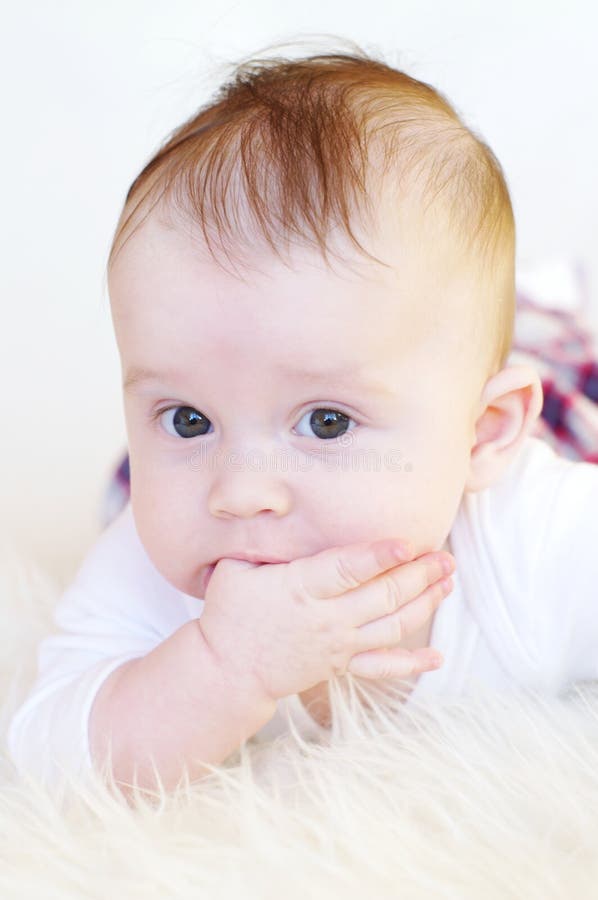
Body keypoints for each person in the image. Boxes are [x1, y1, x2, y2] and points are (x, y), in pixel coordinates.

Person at [7, 47, 598, 799]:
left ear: (482, 434)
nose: (241, 492)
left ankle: (536, 303)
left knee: (535, 347)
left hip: (550, 399)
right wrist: (225, 667)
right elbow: (48, 758)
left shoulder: (531, 535)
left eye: (324, 423)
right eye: (187, 419)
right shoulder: (160, 565)